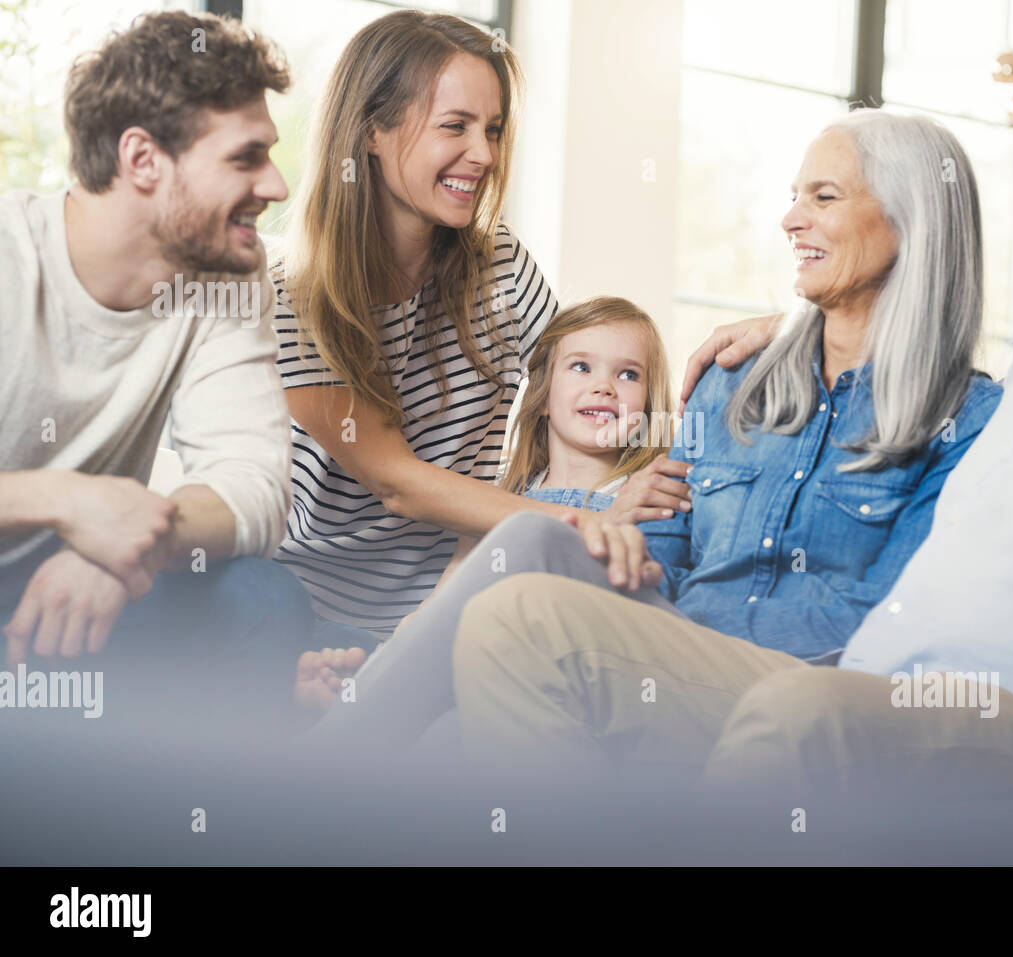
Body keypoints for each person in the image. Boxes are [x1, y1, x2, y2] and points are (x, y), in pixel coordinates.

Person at [456, 83, 1013, 797]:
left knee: (802, 718)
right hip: (867, 677)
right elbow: (892, 330)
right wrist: (789, 332)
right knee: (515, 618)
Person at [336, 107, 1001, 750]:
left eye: (822, 198)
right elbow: (663, 546)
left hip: (801, 680)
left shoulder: (970, 419)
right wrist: (632, 555)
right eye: (794, 197)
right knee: (527, 549)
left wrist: (692, 628)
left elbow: (886, 613)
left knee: (504, 651)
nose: (790, 220)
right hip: (667, 639)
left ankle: (316, 773)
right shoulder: (734, 379)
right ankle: (332, 751)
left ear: (911, 220)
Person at [271, 10, 771, 651]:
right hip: (321, 617)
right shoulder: (286, 294)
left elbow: (585, 378)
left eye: (494, 130)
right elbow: (398, 484)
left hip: (472, 594)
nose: (483, 155)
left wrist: (783, 337)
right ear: (372, 128)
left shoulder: (496, 264)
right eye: (455, 126)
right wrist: (588, 520)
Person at [0, 11, 317, 732]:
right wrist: (68, 503)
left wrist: (126, 544)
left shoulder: (224, 274)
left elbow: (255, 486)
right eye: (247, 157)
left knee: (263, 598)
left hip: (76, 583)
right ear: (142, 159)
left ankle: (199, 832)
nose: (276, 186)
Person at [296, 295, 675, 708]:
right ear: (544, 396)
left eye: (628, 374)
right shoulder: (498, 496)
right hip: (461, 659)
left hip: (547, 668)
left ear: (648, 409)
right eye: (581, 367)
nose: (604, 386)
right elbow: (443, 601)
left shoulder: (639, 496)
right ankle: (357, 690)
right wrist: (386, 661)